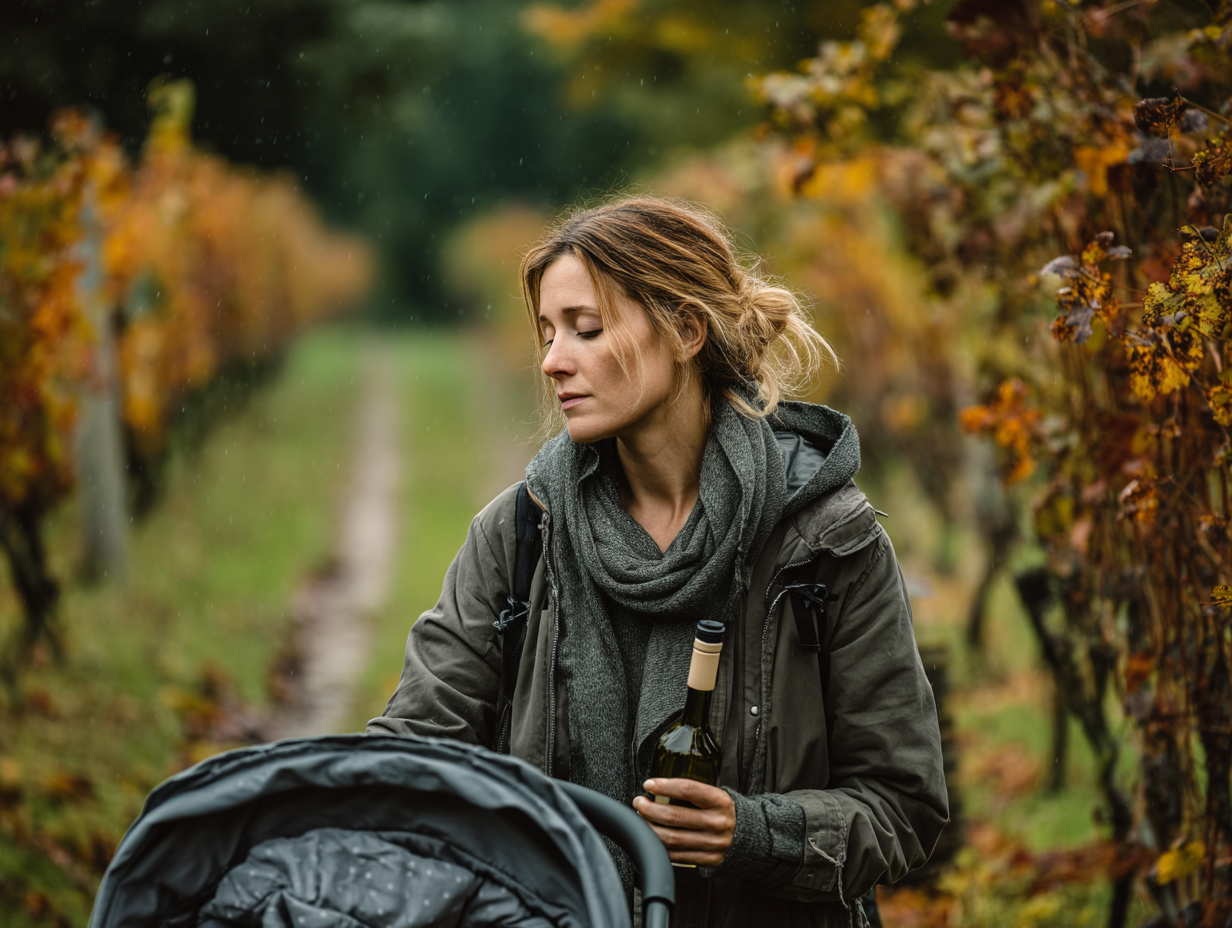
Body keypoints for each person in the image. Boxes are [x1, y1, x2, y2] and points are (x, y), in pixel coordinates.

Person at [369, 196, 948, 927]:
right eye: (548, 333)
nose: (552, 361)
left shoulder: (826, 544)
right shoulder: (519, 535)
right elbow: (413, 756)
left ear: (685, 331)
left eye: (587, 329)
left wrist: (754, 834)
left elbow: (903, 805)